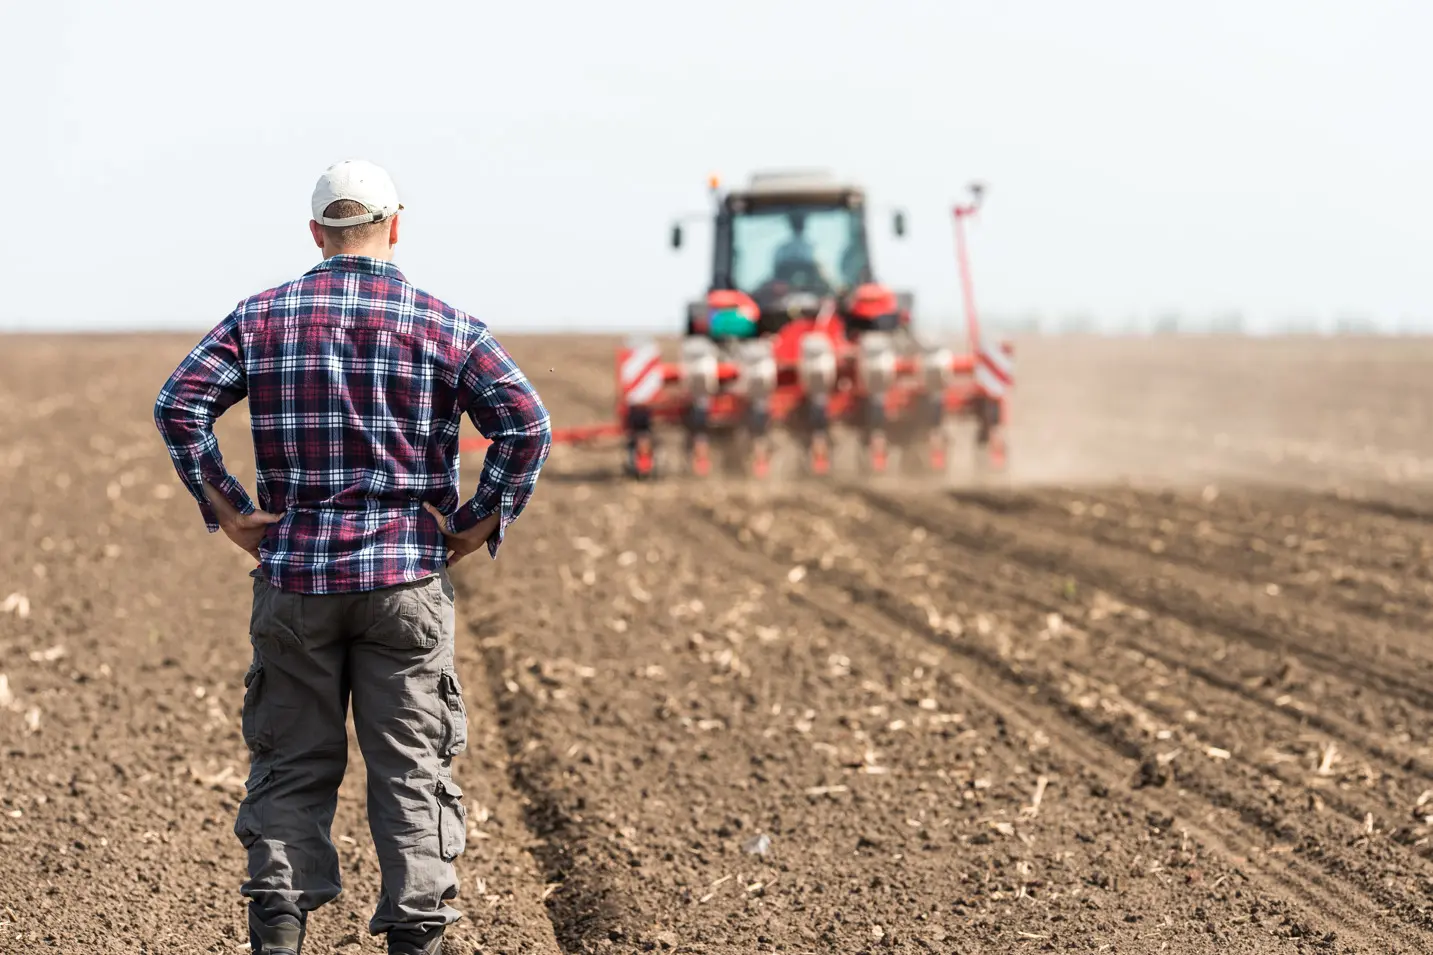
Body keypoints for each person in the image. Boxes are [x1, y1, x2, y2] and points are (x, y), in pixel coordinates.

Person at [153, 159, 552, 955]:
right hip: (406, 577)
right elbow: (527, 425)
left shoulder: (262, 317)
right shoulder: (445, 323)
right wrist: (476, 522)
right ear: (395, 226)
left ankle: (277, 933)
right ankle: (416, 937)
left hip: (295, 579)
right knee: (411, 767)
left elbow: (179, 403)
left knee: (291, 763)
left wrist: (227, 506)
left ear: (316, 235)